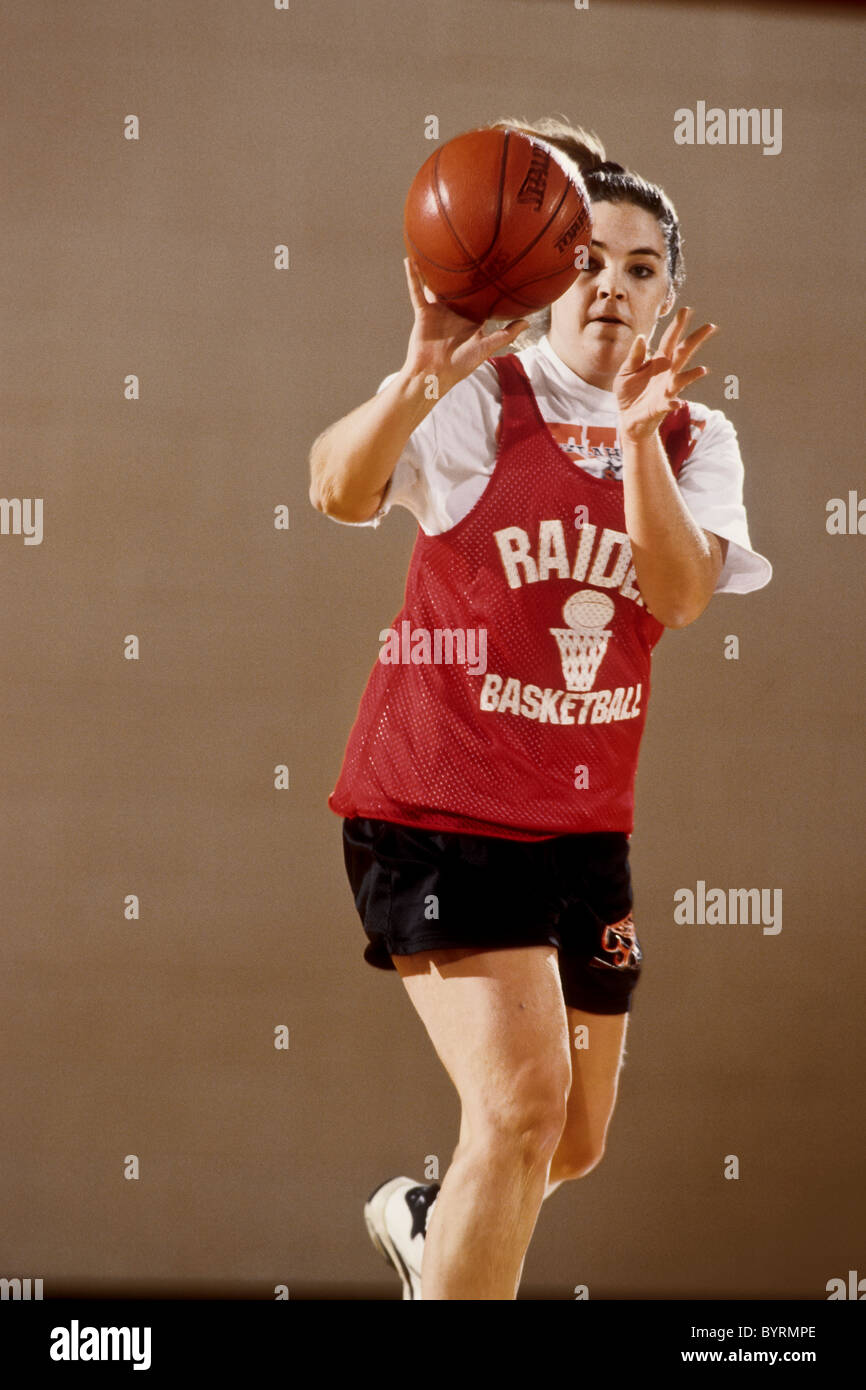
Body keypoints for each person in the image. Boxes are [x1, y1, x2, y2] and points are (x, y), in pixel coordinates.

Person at [308, 116, 772, 1301]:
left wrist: (633, 443)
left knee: (565, 1141)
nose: (612, 286)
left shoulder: (690, 434)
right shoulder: (480, 395)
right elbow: (335, 489)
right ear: (546, 277)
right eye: (589, 261)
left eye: (641, 267)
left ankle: (428, 1226)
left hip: (577, 831)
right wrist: (416, 379)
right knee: (519, 1108)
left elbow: (672, 594)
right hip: (434, 807)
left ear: (668, 295)